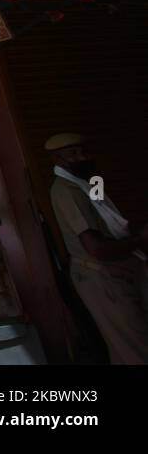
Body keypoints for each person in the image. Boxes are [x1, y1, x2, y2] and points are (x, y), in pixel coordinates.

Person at [45, 132, 148, 364]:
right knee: (135, 345)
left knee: (128, 345)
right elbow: (97, 248)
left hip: (125, 269)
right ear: (58, 160)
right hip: (104, 277)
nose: (82, 157)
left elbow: (110, 223)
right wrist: (140, 240)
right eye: (73, 154)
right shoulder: (66, 191)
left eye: (84, 151)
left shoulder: (89, 182)